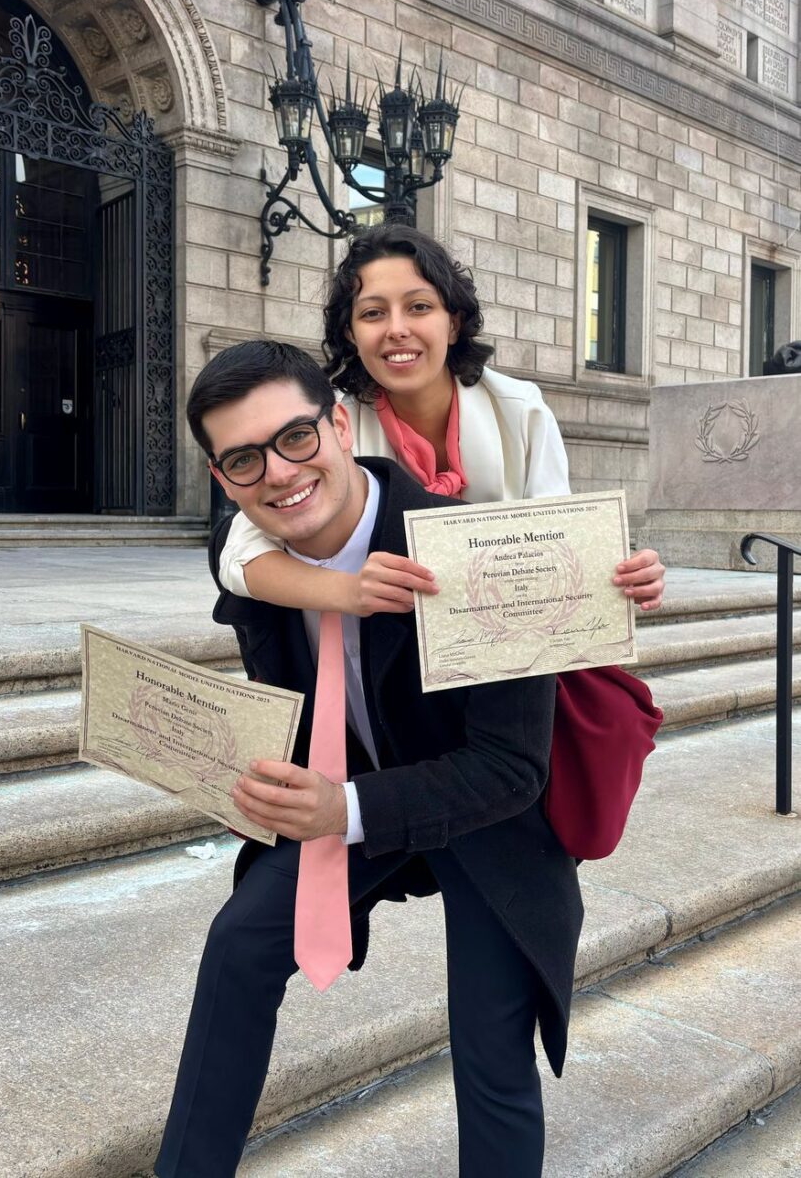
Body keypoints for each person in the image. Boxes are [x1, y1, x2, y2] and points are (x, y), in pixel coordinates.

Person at [155, 340, 584, 1178]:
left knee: (492, 1044)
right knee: (239, 945)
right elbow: (238, 569)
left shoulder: (473, 548)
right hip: (346, 796)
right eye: (244, 459)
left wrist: (340, 808)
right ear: (222, 478)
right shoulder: (248, 553)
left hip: (486, 813)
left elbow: (510, 767)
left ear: (340, 425)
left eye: (295, 438)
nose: (279, 473)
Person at [217, 224, 665, 617]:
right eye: (373, 313)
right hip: (384, 647)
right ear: (351, 335)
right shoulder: (330, 424)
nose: (397, 329)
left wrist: (628, 574)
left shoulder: (521, 410)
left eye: (419, 307)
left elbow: (561, 543)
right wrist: (347, 591)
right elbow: (238, 551)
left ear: (453, 323)